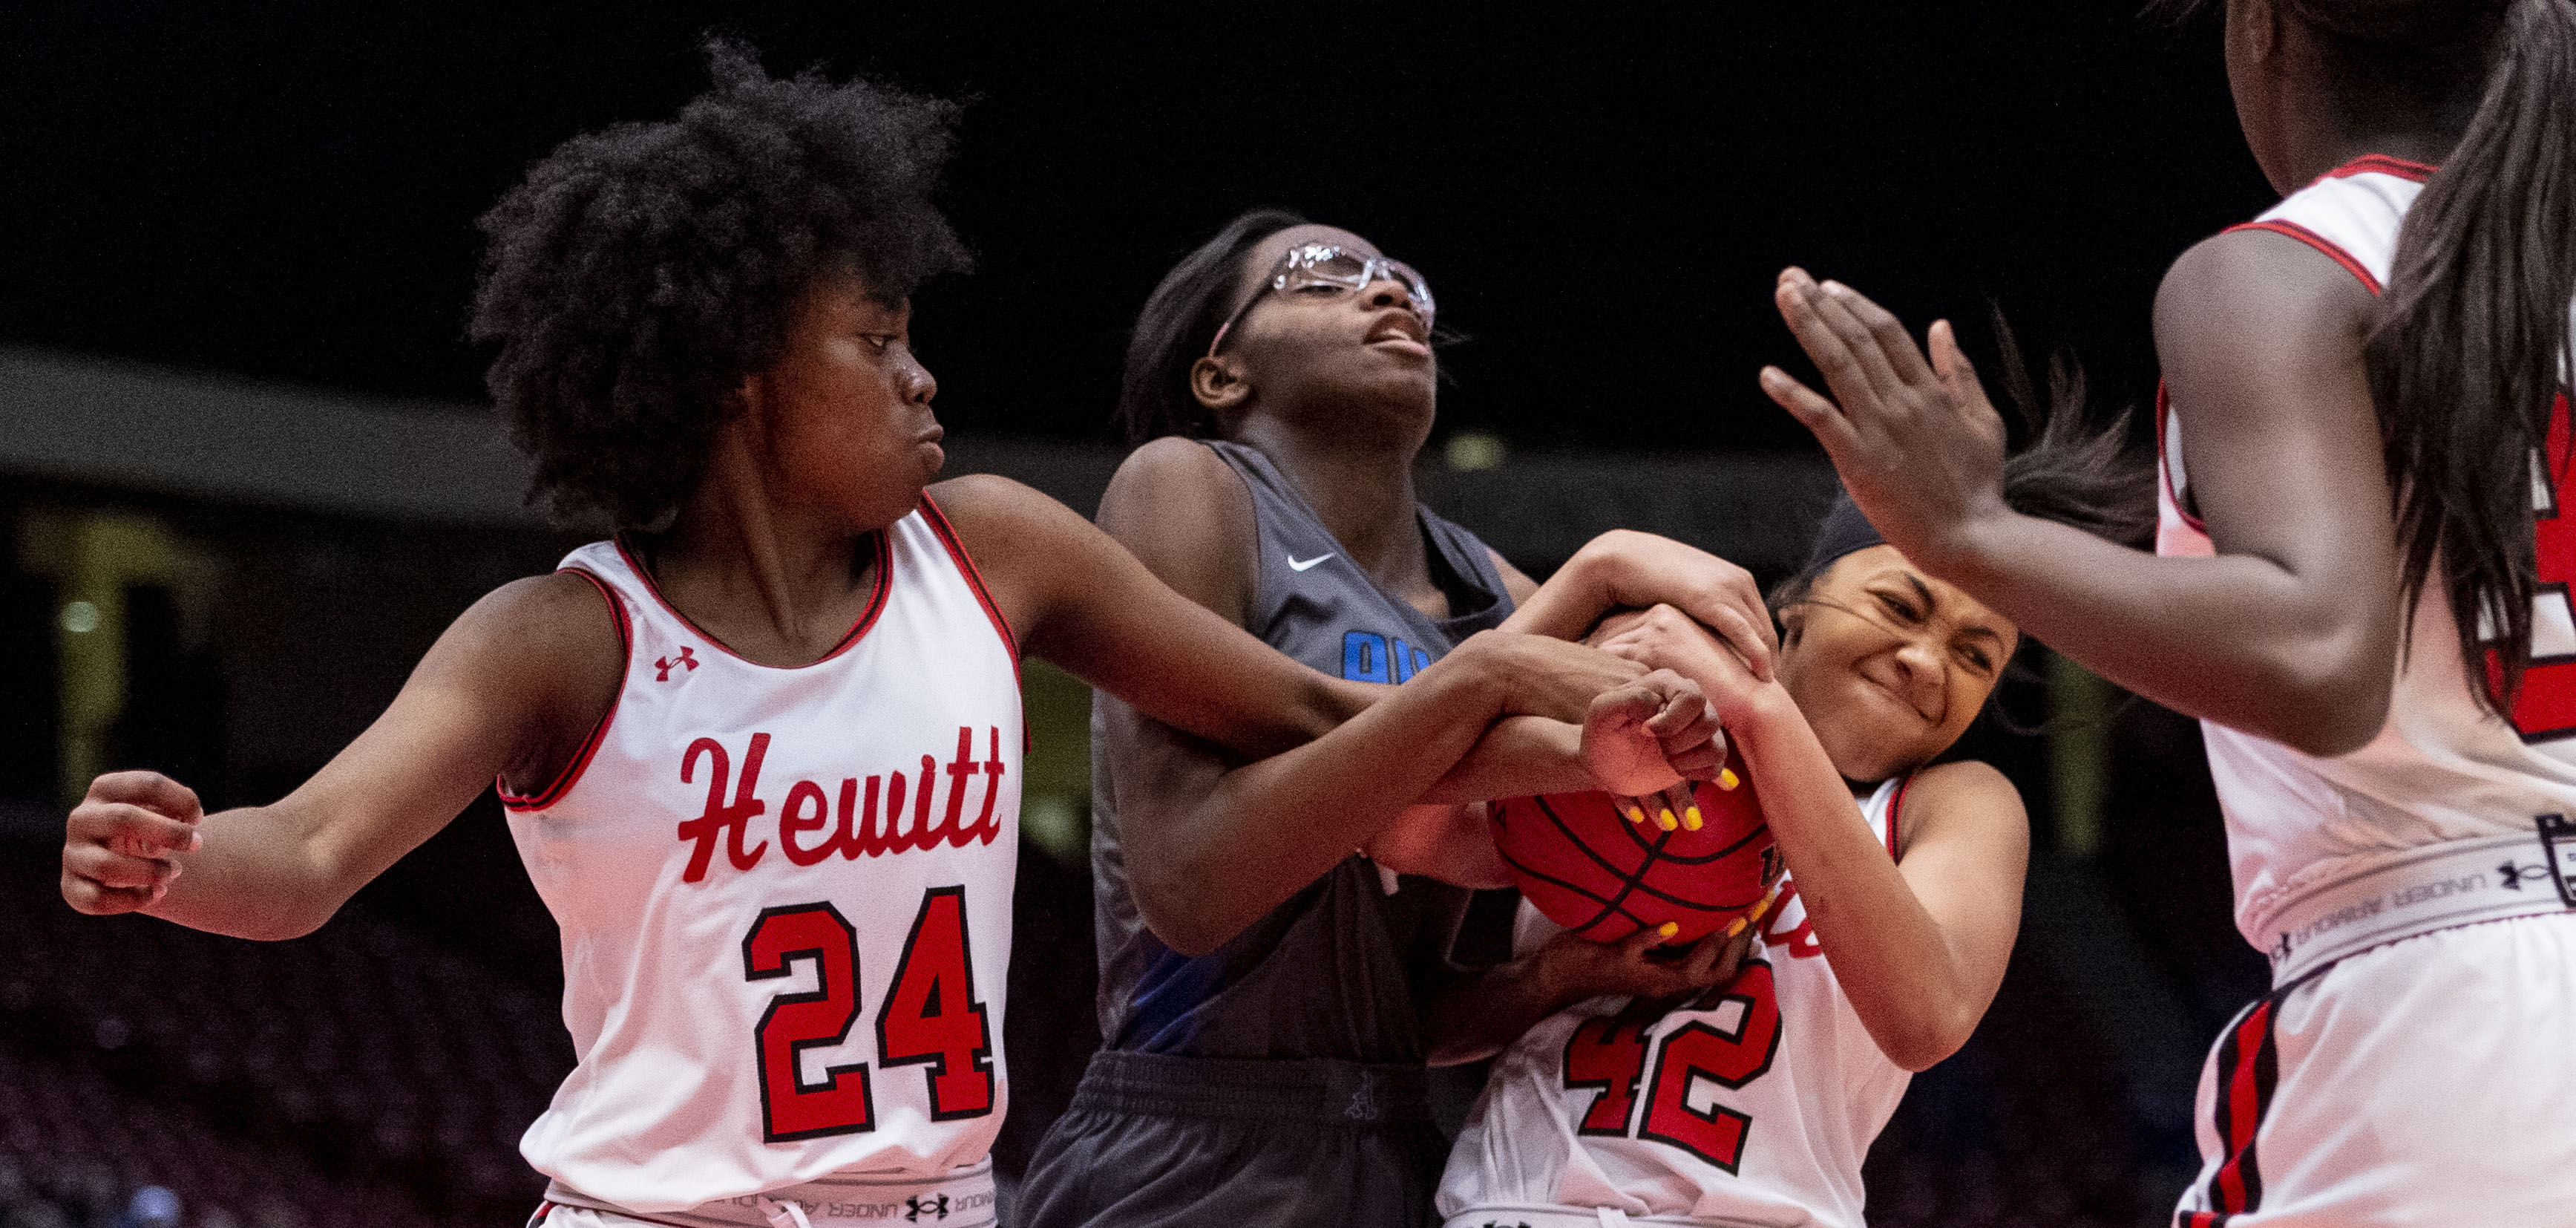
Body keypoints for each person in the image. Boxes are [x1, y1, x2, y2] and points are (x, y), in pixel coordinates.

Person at [53, 46, 1687, 1228]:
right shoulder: (559, 637)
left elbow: (1318, 715)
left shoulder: (988, 551)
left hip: (933, 1202)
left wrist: (1574, 746)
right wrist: (184, 859)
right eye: (877, 339)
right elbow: (316, 848)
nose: (923, 376)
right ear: (737, 375)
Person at [1758, 1, 2576, 1221]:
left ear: (2262, 29)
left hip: (2452, 990)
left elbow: (2320, 649)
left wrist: (1969, 532)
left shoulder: (2282, 266)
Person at [1017, 212, 1777, 1228]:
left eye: (1401, 283)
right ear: (1221, 373)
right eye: (1321, 276)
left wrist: (1549, 973)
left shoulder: (1483, 583)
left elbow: (1406, 1013)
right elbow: (1190, 884)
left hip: (1396, 1148)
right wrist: (1575, 590)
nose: (1385, 293)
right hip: (1189, 1143)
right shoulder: (1186, 485)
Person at [1415, 375, 2149, 1228]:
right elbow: (1399, 823)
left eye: (1976, 655)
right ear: (1794, 602)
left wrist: (1758, 707)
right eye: (1898, 606)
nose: (1926, 661)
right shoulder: (1643, 733)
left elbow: (1926, 1017)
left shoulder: (1953, 805)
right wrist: (1591, 575)